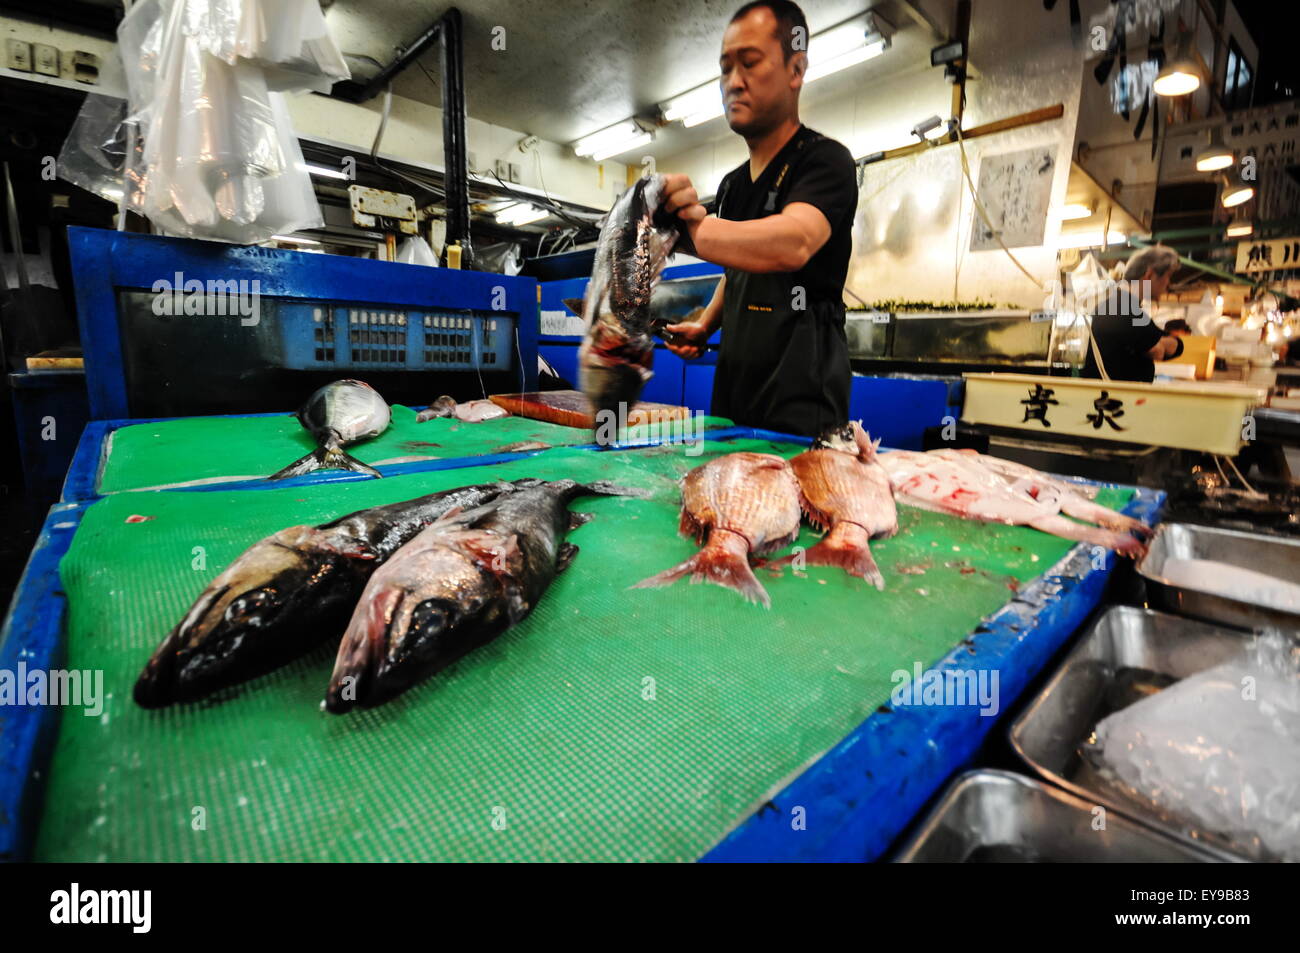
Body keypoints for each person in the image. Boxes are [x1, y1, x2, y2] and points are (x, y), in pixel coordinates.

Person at [658, 0, 859, 437]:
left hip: (802, 400)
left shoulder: (825, 161)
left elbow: (793, 241)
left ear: (795, 70)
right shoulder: (732, 185)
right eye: (725, 68)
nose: (733, 82)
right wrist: (705, 324)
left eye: (749, 63)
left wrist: (693, 230)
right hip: (733, 392)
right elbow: (739, 270)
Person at [1082, 245, 1185, 382]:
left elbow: (1177, 348)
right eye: (1168, 276)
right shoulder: (1123, 309)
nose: (1169, 283)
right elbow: (1159, 351)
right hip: (1113, 398)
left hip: (1110, 396)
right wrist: (1162, 343)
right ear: (1150, 275)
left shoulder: (1116, 305)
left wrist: (1160, 343)